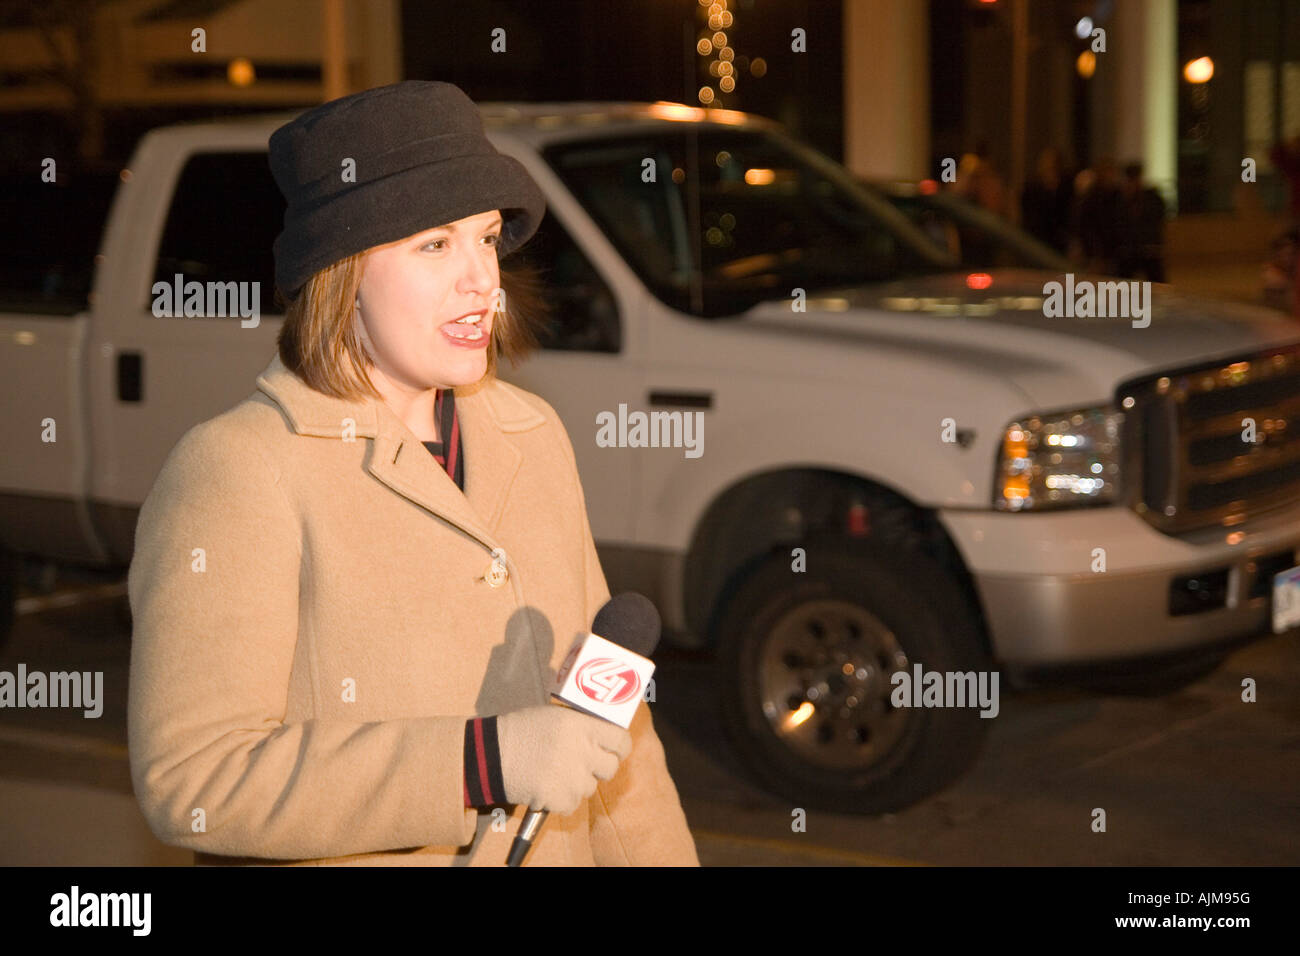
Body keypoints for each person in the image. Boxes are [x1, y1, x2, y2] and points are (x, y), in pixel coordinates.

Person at [126, 80, 699, 866]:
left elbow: (614, 733)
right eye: (434, 245)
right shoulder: (239, 470)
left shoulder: (533, 435)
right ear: (342, 274)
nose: (482, 281)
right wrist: (482, 762)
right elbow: (195, 783)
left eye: (487, 238)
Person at [1115, 161, 1167, 282]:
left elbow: (1158, 219)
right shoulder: (1120, 198)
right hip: (1128, 249)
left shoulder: (1152, 197)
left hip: (1148, 248)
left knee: (1158, 283)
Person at [1019, 146, 1074, 254]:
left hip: (1060, 241)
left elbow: (1068, 214)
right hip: (1037, 240)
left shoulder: (1066, 187)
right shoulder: (1032, 187)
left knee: (1065, 270)